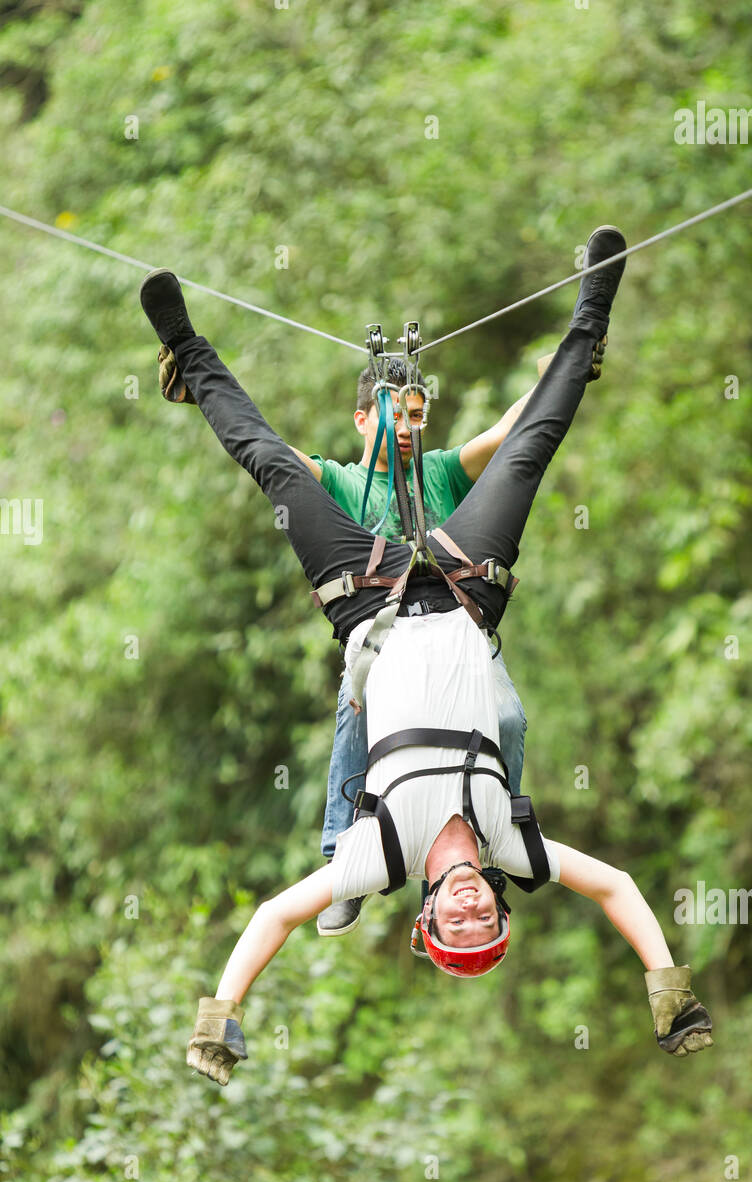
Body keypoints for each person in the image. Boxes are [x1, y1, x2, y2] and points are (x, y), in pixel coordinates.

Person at [139, 226, 714, 1086]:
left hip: (369, 599)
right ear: (497, 909)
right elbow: (617, 886)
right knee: (530, 451)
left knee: (275, 469)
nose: (477, 908)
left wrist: (218, 1020)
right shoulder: (511, 848)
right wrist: (668, 990)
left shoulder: (382, 858)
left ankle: (186, 348)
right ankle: (592, 310)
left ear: (431, 918)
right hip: (462, 587)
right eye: (490, 922)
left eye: (462, 923)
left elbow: (273, 915)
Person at [161, 322, 587, 938]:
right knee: (355, 712)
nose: (411, 429)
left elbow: (507, 435)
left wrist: (557, 378)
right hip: (381, 640)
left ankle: (492, 820)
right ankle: (342, 851)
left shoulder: (442, 471)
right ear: (363, 420)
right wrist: (201, 392)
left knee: (512, 717)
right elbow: (272, 453)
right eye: (397, 416)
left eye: (419, 415)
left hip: (456, 639)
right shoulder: (342, 482)